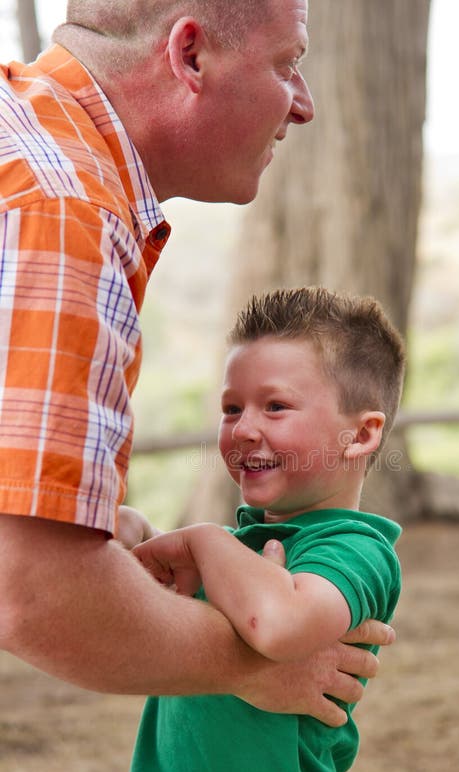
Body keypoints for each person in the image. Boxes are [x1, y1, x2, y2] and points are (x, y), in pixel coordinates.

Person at [0, 2, 394, 723]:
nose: (302, 105)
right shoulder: (64, 212)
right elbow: (32, 593)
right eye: (288, 63)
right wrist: (256, 665)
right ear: (190, 56)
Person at [116, 286, 406, 772]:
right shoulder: (239, 548)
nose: (244, 428)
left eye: (275, 407)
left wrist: (196, 540)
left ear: (359, 436)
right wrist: (135, 539)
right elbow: (188, 598)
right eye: (230, 409)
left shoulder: (354, 549)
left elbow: (278, 623)